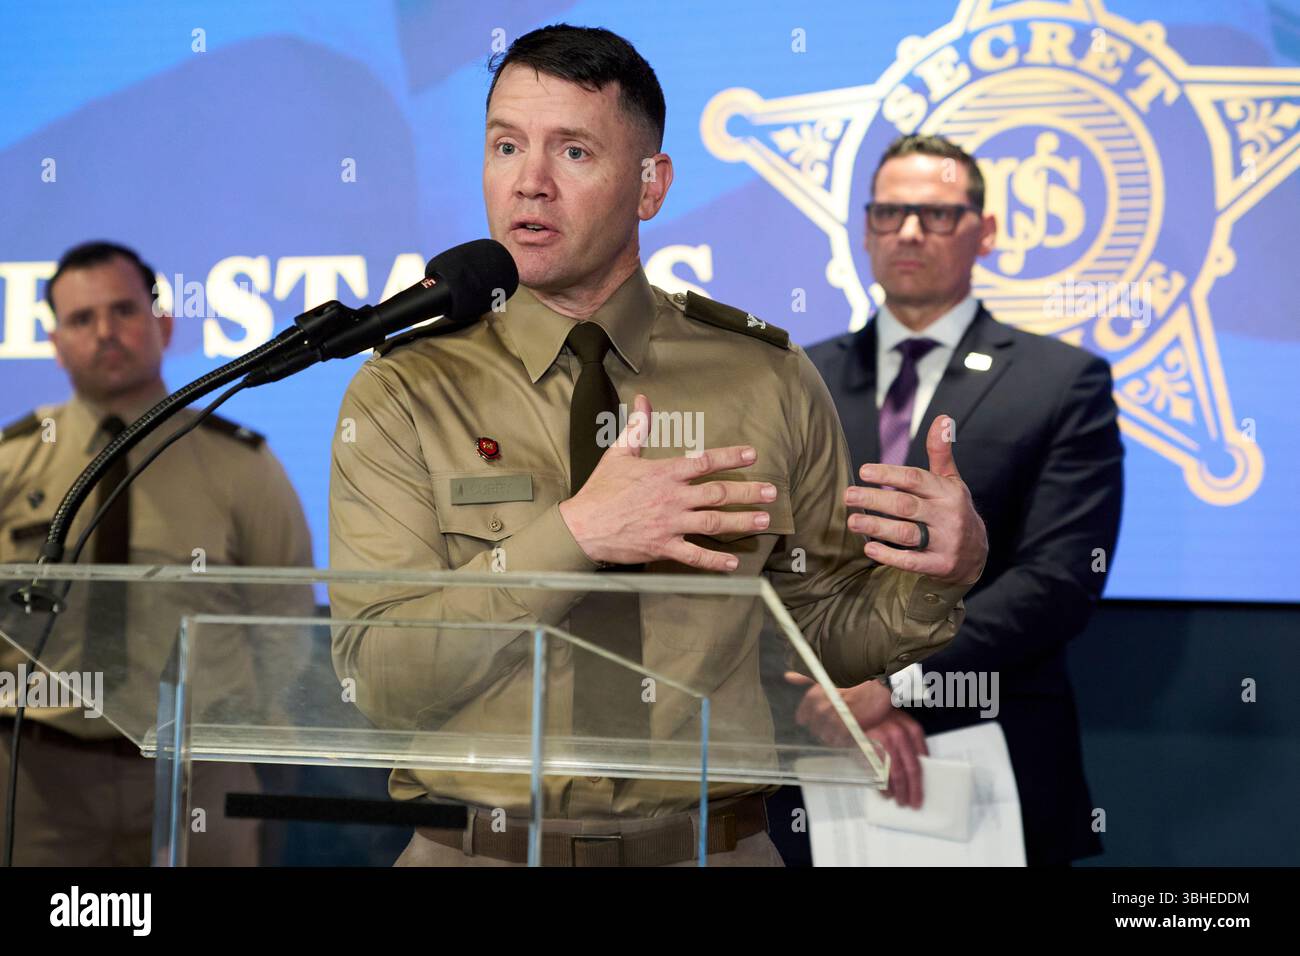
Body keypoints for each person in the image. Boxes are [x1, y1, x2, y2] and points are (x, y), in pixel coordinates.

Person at [327, 26, 988, 867]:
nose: (528, 183)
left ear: (650, 185)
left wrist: (938, 578)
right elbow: (376, 677)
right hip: (478, 852)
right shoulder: (405, 391)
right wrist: (576, 538)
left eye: (573, 151)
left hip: (708, 850)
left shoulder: (766, 378)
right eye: (505, 146)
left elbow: (814, 629)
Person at [788, 134, 1123, 865]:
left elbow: (1059, 581)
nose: (908, 231)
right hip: (809, 753)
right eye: (888, 212)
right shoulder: (793, 376)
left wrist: (892, 689)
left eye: (936, 215)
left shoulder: (1063, 382)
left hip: (990, 752)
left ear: (986, 232)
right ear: (866, 227)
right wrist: (835, 696)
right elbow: (760, 565)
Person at [0, 240, 314, 865]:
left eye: (124, 311)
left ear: (163, 323)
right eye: (81, 319)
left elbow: (285, 628)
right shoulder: (12, 461)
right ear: (55, 341)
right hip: (35, 773)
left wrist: (236, 735)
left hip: (197, 768)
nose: (105, 332)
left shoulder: (241, 465)